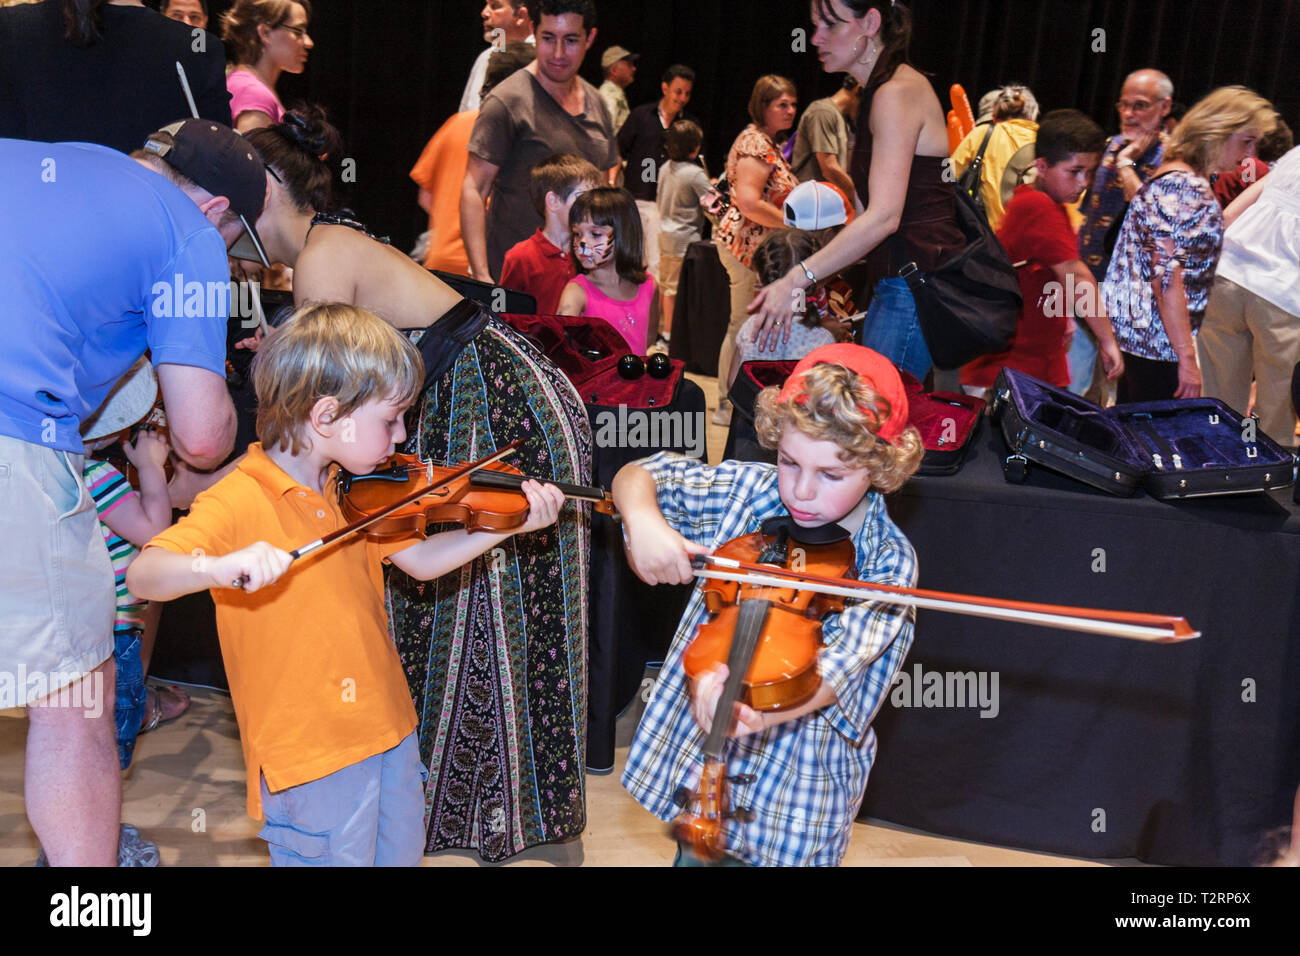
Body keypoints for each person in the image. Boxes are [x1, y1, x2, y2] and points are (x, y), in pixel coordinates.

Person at [243, 109, 594, 862]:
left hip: (489, 401)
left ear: (267, 188)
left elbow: (313, 393)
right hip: (470, 396)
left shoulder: (319, 255)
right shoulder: (322, 249)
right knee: (462, 605)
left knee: (494, 613)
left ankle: (496, 815)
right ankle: (464, 810)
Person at [127, 303, 567, 866]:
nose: (403, 434)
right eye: (392, 419)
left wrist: (506, 527)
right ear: (327, 416)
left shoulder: (352, 491)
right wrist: (213, 566)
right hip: (311, 755)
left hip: (389, 726)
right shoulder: (238, 498)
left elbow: (422, 562)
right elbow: (147, 572)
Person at [0, 118, 266, 865]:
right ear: (217, 208)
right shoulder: (187, 232)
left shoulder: (30, 155)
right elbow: (202, 435)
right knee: (74, 702)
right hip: (13, 433)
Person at [616, 343, 923, 866]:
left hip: (795, 795)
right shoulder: (747, 490)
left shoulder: (887, 562)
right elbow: (638, 475)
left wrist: (755, 710)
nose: (801, 492)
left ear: (880, 468)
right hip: (705, 778)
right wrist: (643, 523)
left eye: (830, 475)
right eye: (789, 462)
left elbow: (834, 677)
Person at [747, 1, 963, 386]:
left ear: (871, 22)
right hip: (899, 283)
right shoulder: (879, 92)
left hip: (912, 286)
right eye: (814, 26)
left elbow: (883, 217)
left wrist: (796, 277)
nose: (815, 38)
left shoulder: (896, 92)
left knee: (874, 428)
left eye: (830, 24)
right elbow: (866, 219)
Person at [1103, 86, 1276, 402]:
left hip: (1146, 338)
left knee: (1135, 437)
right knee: (1154, 443)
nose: (1250, 155)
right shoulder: (1186, 187)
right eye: (1246, 141)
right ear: (1218, 133)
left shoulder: (1176, 176)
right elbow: (1166, 279)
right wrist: (1186, 358)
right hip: (1160, 345)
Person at [962, 110, 1124, 398]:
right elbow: (1076, 276)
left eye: (1090, 172)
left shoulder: (1038, 200)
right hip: (1012, 373)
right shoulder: (1039, 207)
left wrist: (1062, 320)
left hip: (1025, 367)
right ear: (1042, 165)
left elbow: (1045, 274)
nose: (1084, 182)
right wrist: (1107, 340)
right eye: (1074, 172)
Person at [462, 0, 620, 282]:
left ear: (590, 38)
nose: (558, 53)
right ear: (535, 30)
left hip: (581, 283)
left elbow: (608, 189)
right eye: (549, 39)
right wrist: (482, 275)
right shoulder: (507, 100)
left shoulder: (597, 103)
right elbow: (474, 187)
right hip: (514, 283)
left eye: (571, 40)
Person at [0, 0, 230, 151]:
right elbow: (218, 169)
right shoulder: (199, 47)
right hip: (149, 221)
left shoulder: (10, 27)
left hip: (25, 217)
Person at [1072, 68, 1174, 396]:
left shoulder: (1171, 158)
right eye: (1124, 105)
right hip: (1085, 285)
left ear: (1165, 107)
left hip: (1131, 297)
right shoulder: (1110, 145)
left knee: (1114, 390)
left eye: (1140, 105)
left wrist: (1127, 163)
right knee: (1073, 386)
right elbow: (1088, 213)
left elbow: (1147, 211)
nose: (1129, 114)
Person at [712, 73, 800, 424]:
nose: (791, 110)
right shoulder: (754, 143)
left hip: (755, 250)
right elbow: (748, 202)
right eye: (782, 104)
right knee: (740, 326)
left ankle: (735, 401)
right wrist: (792, 223)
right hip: (745, 248)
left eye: (793, 103)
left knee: (745, 325)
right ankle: (725, 403)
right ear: (763, 106)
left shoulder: (766, 141)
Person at [1198, 144, 1300, 446]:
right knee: (1275, 412)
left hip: (1228, 274)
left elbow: (1229, 214)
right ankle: (1266, 481)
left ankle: (1216, 467)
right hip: (1283, 292)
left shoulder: (1296, 153)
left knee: (1219, 398)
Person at [412, 41, 536, 276]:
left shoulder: (455, 124)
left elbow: (425, 196)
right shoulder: (515, 134)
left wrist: (451, 225)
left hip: (441, 263)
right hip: (487, 267)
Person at [617, 63, 699, 305]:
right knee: (629, 258)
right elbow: (618, 149)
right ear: (665, 88)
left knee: (656, 264)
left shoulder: (688, 126)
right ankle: (622, 306)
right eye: (678, 91)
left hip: (666, 207)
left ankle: (648, 313)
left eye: (687, 93)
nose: (682, 98)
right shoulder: (642, 116)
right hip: (636, 199)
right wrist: (612, 182)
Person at [726, 229, 840, 389]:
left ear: (759, 276)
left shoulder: (750, 328)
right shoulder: (822, 339)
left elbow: (733, 384)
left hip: (753, 412)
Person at [557, 186, 657, 352]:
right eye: (577, 234)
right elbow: (561, 351)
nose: (582, 244)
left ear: (624, 235)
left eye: (595, 234)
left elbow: (648, 339)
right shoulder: (576, 292)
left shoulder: (649, 287)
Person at [500, 152, 602, 313]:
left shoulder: (591, 252)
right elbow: (505, 316)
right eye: (582, 198)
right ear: (553, 201)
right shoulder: (521, 257)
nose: (593, 208)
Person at [950, 83, 1040, 231]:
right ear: (1033, 115)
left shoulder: (983, 133)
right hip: (1031, 240)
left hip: (988, 239)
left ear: (994, 116)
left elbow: (946, 175)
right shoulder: (1046, 142)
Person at [220, 0, 313, 132]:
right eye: (298, 31)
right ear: (265, 33)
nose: (309, 42)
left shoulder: (244, 84)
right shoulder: (253, 93)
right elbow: (252, 153)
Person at [656, 117, 711, 339]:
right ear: (695, 146)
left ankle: (664, 329)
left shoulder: (664, 168)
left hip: (666, 234)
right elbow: (713, 203)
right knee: (673, 289)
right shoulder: (694, 173)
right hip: (684, 239)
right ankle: (668, 334)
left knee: (665, 285)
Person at [789, 74, 861, 205]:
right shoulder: (823, 112)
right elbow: (829, 168)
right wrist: (857, 200)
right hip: (809, 208)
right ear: (858, 89)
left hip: (823, 207)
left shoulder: (839, 117)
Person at [459, 0, 535, 113]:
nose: (484, 13)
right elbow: (465, 118)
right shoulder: (485, 57)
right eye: (486, 4)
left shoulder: (543, 62)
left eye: (495, 6)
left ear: (520, 16)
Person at [598, 44, 637, 133]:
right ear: (614, 70)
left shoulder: (615, 94)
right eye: (629, 64)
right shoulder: (609, 95)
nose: (634, 68)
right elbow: (605, 133)